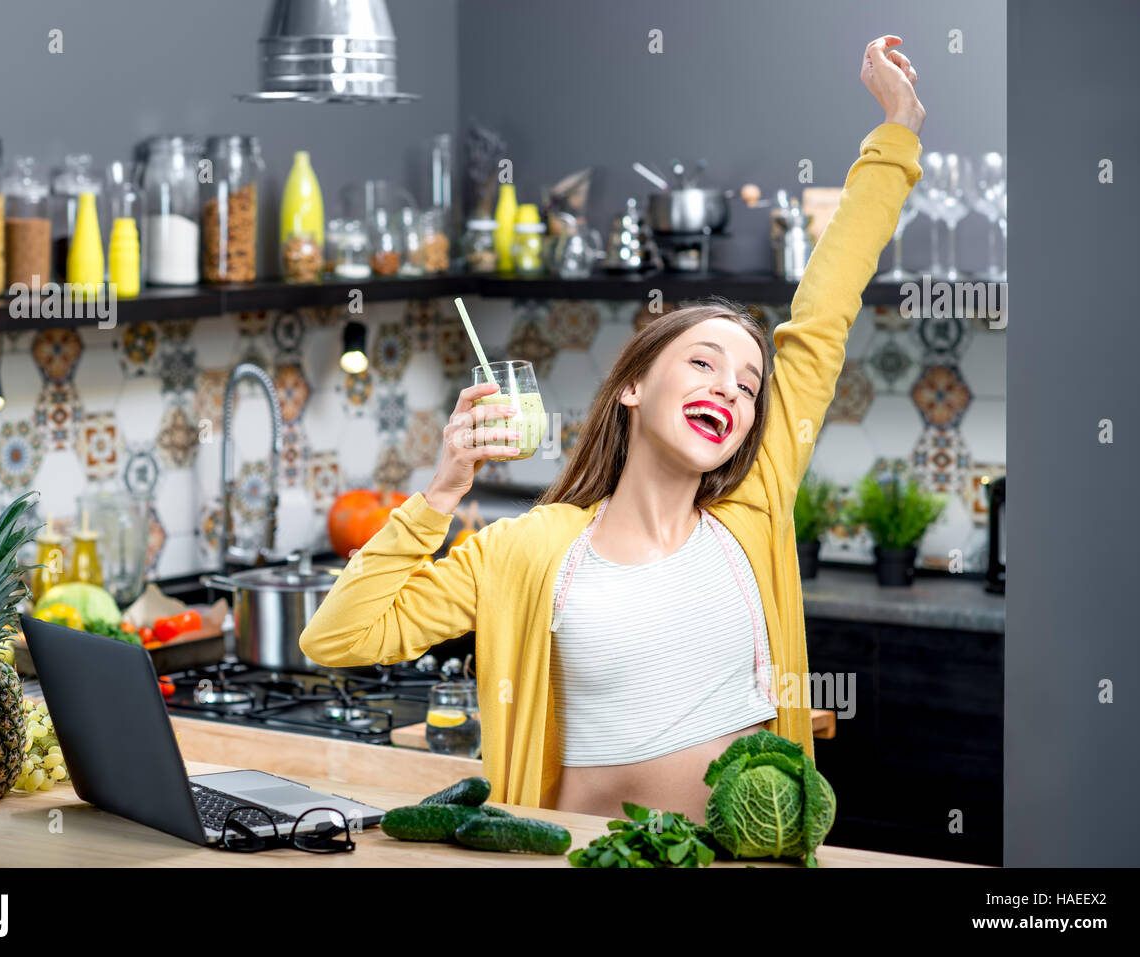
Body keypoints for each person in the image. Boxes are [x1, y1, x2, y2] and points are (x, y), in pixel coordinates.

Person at [300, 36, 926, 822]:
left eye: (747, 383)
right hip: (588, 854)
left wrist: (896, 133)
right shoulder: (526, 550)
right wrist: (440, 494)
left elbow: (824, 310)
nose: (728, 388)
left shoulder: (754, 510)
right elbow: (337, 637)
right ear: (632, 385)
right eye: (701, 363)